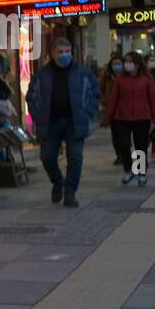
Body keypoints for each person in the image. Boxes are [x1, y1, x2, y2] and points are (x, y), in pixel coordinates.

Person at [25, 34, 100, 208]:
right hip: (51, 123)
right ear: (52, 53)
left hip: (74, 122)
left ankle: (70, 193)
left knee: (75, 157)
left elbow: (95, 93)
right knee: (47, 157)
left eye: (67, 51)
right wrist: (38, 116)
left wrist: (87, 113)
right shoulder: (42, 75)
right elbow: (32, 97)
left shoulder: (82, 73)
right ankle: (58, 182)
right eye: (60, 52)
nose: (64, 55)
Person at [103, 51, 155, 187]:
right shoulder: (120, 79)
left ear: (137, 63)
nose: (127, 64)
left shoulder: (147, 78)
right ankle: (129, 170)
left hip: (142, 117)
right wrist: (107, 118)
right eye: (126, 61)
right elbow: (113, 100)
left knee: (140, 146)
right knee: (123, 145)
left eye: (130, 61)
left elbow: (153, 99)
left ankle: (141, 173)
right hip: (121, 118)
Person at [102, 55, 125, 165]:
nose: (117, 66)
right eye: (114, 64)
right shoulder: (106, 76)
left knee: (124, 134)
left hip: (125, 109)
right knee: (115, 134)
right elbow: (100, 89)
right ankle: (119, 155)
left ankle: (125, 153)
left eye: (119, 64)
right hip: (112, 109)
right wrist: (104, 101)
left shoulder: (127, 76)